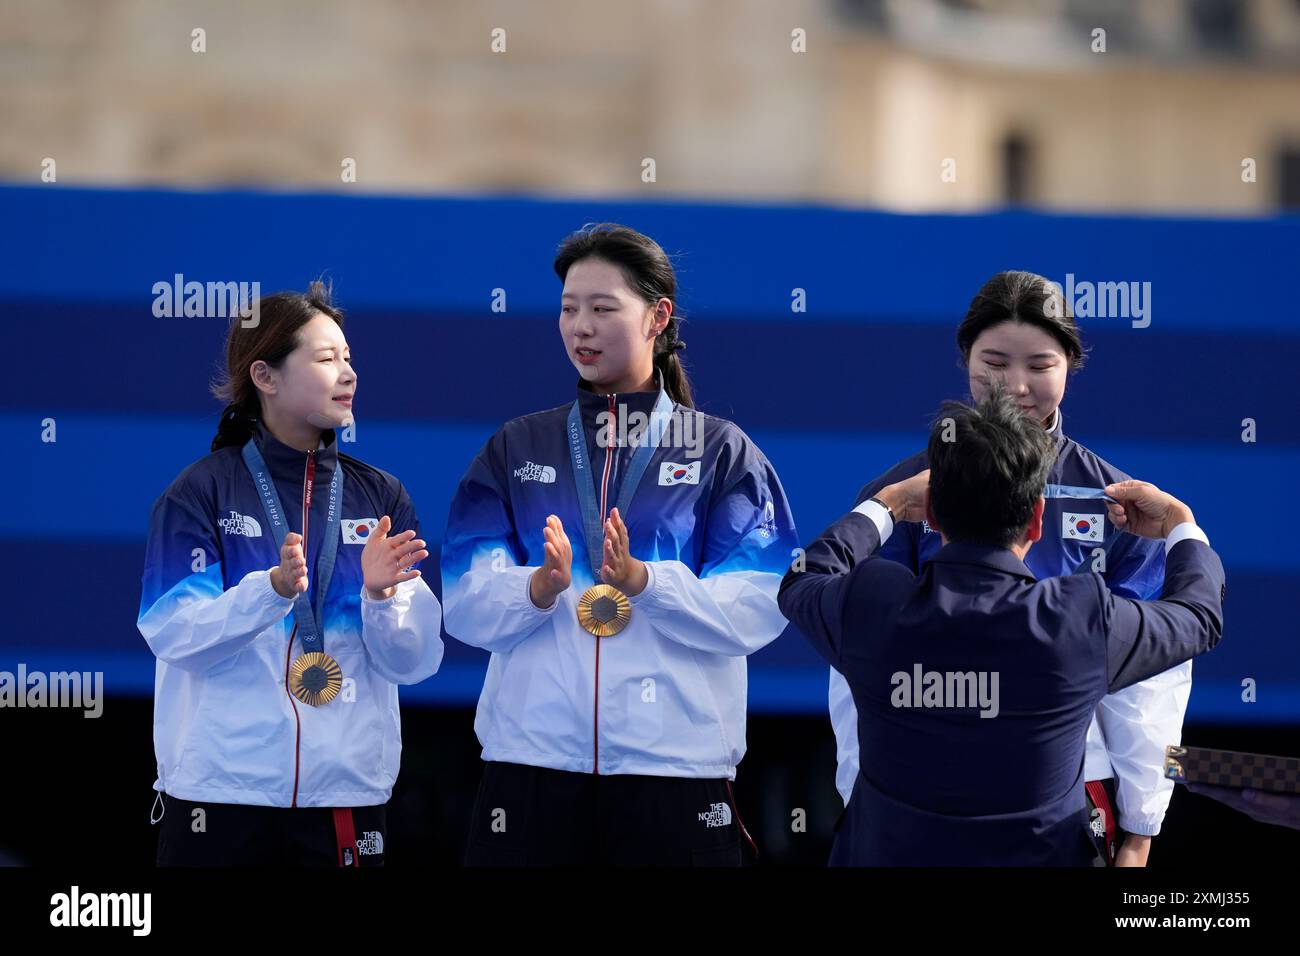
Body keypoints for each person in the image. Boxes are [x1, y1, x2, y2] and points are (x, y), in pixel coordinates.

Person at [441, 223, 799, 865]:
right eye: (569, 308)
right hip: (532, 766)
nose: (581, 326)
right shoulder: (517, 445)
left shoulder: (719, 450)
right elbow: (464, 600)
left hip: (674, 770)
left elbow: (761, 603)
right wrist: (536, 588)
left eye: (603, 309)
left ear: (657, 316)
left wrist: (646, 583)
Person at [828, 270, 1190, 866]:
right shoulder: (900, 497)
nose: (1016, 386)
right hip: (918, 787)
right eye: (994, 362)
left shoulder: (1122, 509)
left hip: (1070, 789)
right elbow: (853, 666)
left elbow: (1153, 682)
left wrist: (1143, 824)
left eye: (1040, 365)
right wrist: (860, 792)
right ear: (964, 358)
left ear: (1071, 364)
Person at [778, 387, 1225, 865]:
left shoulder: (872, 603)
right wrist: (1181, 523)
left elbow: (802, 581)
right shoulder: (1080, 618)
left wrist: (885, 504)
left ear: (929, 511)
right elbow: (1199, 617)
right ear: (1037, 520)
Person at [137, 283, 444, 866]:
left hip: (344, 796)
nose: (349, 373)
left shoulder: (379, 495)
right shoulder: (200, 492)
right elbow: (173, 633)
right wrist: (270, 592)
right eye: (327, 359)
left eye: (349, 358)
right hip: (219, 795)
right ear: (266, 377)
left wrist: (381, 598)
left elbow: (415, 662)